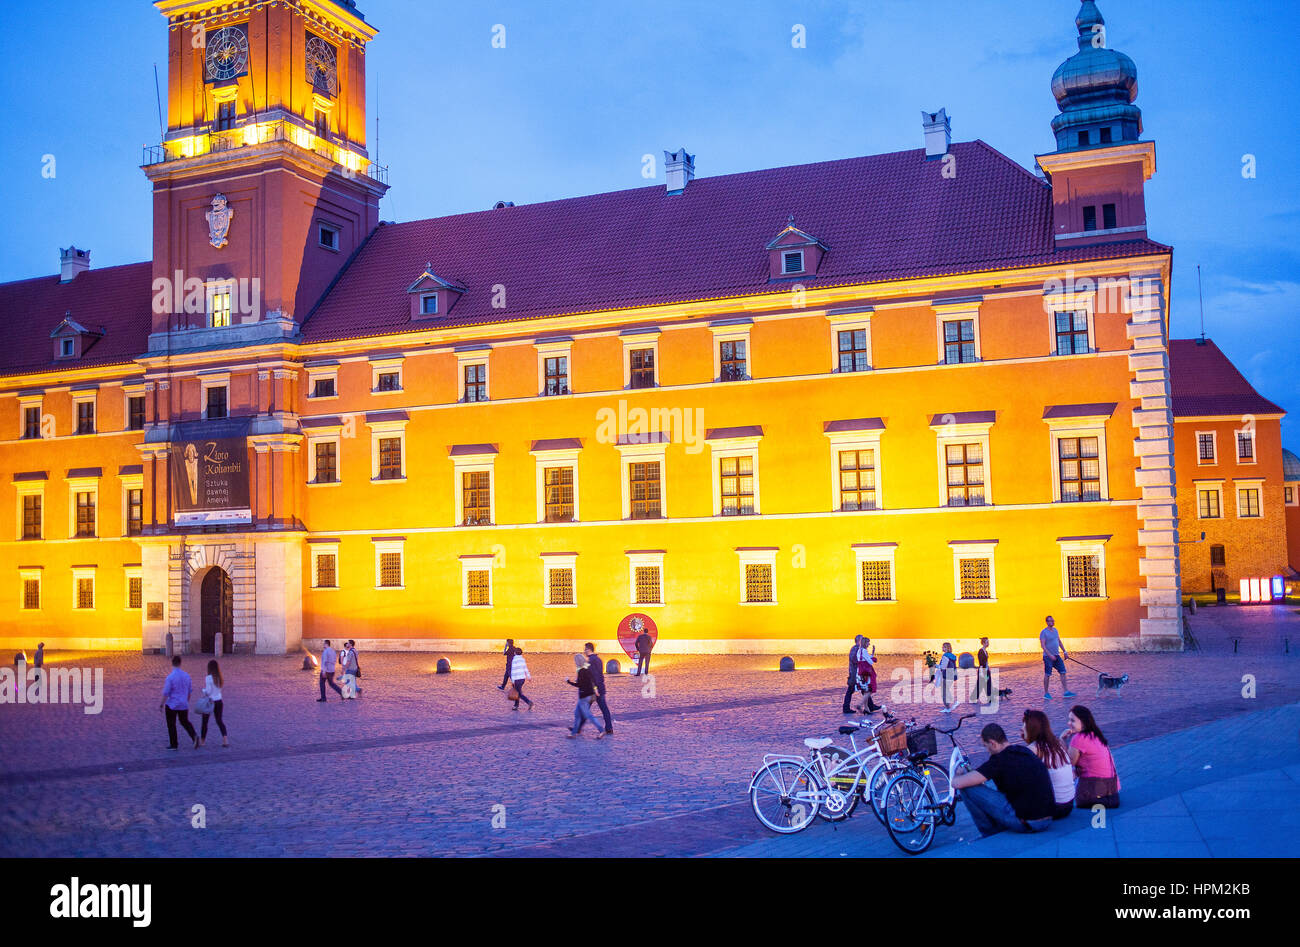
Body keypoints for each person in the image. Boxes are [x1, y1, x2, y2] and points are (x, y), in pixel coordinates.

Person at [952, 723, 1055, 836]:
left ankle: (989, 832)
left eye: (986, 746)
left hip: (1028, 823)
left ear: (993, 743)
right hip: (1048, 818)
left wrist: (958, 774)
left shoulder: (998, 761)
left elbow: (956, 783)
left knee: (967, 788)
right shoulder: (1025, 751)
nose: (987, 751)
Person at [1066, 705, 1121, 808]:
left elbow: (1067, 763)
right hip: (1112, 790)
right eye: (1069, 720)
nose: (1069, 723)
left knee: (1064, 773)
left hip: (1094, 792)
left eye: (1072, 720)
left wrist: (1062, 740)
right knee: (1076, 772)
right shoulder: (1096, 735)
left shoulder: (1078, 738)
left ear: (1083, 722)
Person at [1022, 709, 1072, 819]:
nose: (1022, 728)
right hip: (1068, 804)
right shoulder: (1057, 742)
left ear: (1031, 728)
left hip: (1053, 808)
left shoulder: (1033, 749)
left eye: (1024, 725)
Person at [159, 655, 199, 750]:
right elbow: (189, 691)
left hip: (172, 704)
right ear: (180, 663)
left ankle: (174, 744)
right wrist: (186, 701)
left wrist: (161, 704)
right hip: (183, 703)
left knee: (171, 724)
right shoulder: (187, 676)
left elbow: (166, 692)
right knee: (185, 721)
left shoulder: (170, 677)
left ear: (172, 663)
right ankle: (194, 736)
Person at [565, 653, 605, 739]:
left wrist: (568, 681)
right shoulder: (588, 669)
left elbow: (579, 685)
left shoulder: (581, 671)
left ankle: (601, 730)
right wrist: (595, 689)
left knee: (588, 715)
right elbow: (593, 681)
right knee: (577, 714)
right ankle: (573, 733)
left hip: (584, 696)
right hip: (590, 695)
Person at [1040, 615, 1076, 700]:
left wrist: (1065, 651)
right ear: (1047, 622)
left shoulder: (1055, 630)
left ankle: (1066, 692)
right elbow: (1043, 645)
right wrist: (1050, 655)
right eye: (1050, 621)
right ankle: (1046, 693)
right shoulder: (1043, 632)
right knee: (1047, 674)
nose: (1052, 622)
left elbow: (1059, 641)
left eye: (1053, 621)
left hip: (1056, 655)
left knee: (1063, 671)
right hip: (1047, 657)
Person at [199, 659, 229, 748]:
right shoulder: (220, 678)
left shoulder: (208, 678)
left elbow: (208, 691)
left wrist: (203, 690)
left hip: (210, 701)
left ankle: (203, 741)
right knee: (219, 721)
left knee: (205, 722)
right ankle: (225, 739)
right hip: (219, 701)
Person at [585, 642, 613, 734]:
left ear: (588, 650)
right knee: (604, 709)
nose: (584, 651)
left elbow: (594, 676)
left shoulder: (591, 661)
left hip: (594, 690)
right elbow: (600, 675)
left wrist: (595, 688)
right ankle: (609, 728)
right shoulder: (598, 659)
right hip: (600, 688)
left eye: (585, 649)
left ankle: (577, 728)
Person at [856, 637, 883, 714]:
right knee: (869, 690)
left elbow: (864, 658)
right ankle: (860, 704)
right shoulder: (864, 651)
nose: (869, 644)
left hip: (860, 672)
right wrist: (874, 659)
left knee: (865, 690)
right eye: (868, 642)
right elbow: (870, 662)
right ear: (865, 643)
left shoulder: (859, 650)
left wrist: (872, 653)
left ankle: (866, 709)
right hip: (867, 673)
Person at [841, 634, 864, 714]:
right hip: (855, 673)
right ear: (859, 640)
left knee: (864, 689)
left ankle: (870, 706)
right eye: (862, 639)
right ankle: (846, 708)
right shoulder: (856, 648)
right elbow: (854, 659)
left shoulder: (856, 648)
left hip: (856, 673)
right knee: (852, 690)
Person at [508, 646, 533, 711]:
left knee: (518, 693)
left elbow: (513, 670)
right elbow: (525, 668)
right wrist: (529, 676)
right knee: (517, 691)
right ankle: (516, 705)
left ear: (515, 653)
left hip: (517, 679)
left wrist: (512, 680)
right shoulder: (522, 659)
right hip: (522, 679)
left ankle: (528, 702)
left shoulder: (514, 660)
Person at [937, 642, 958, 713]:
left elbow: (943, 667)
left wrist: (935, 665)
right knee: (947, 691)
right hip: (951, 675)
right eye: (942, 647)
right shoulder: (952, 656)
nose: (942, 648)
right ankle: (951, 704)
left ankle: (948, 708)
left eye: (944, 647)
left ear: (947, 648)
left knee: (944, 693)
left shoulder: (945, 656)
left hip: (946, 676)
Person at [976, 637, 991, 703]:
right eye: (987, 642)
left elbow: (986, 662)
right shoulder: (981, 651)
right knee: (980, 684)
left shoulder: (986, 651)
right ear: (983, 643)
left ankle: (989, 698)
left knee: (988, 683)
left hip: (986, 670)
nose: (988, 643)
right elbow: (981, 662)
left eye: (988, 642)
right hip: (982, 670)